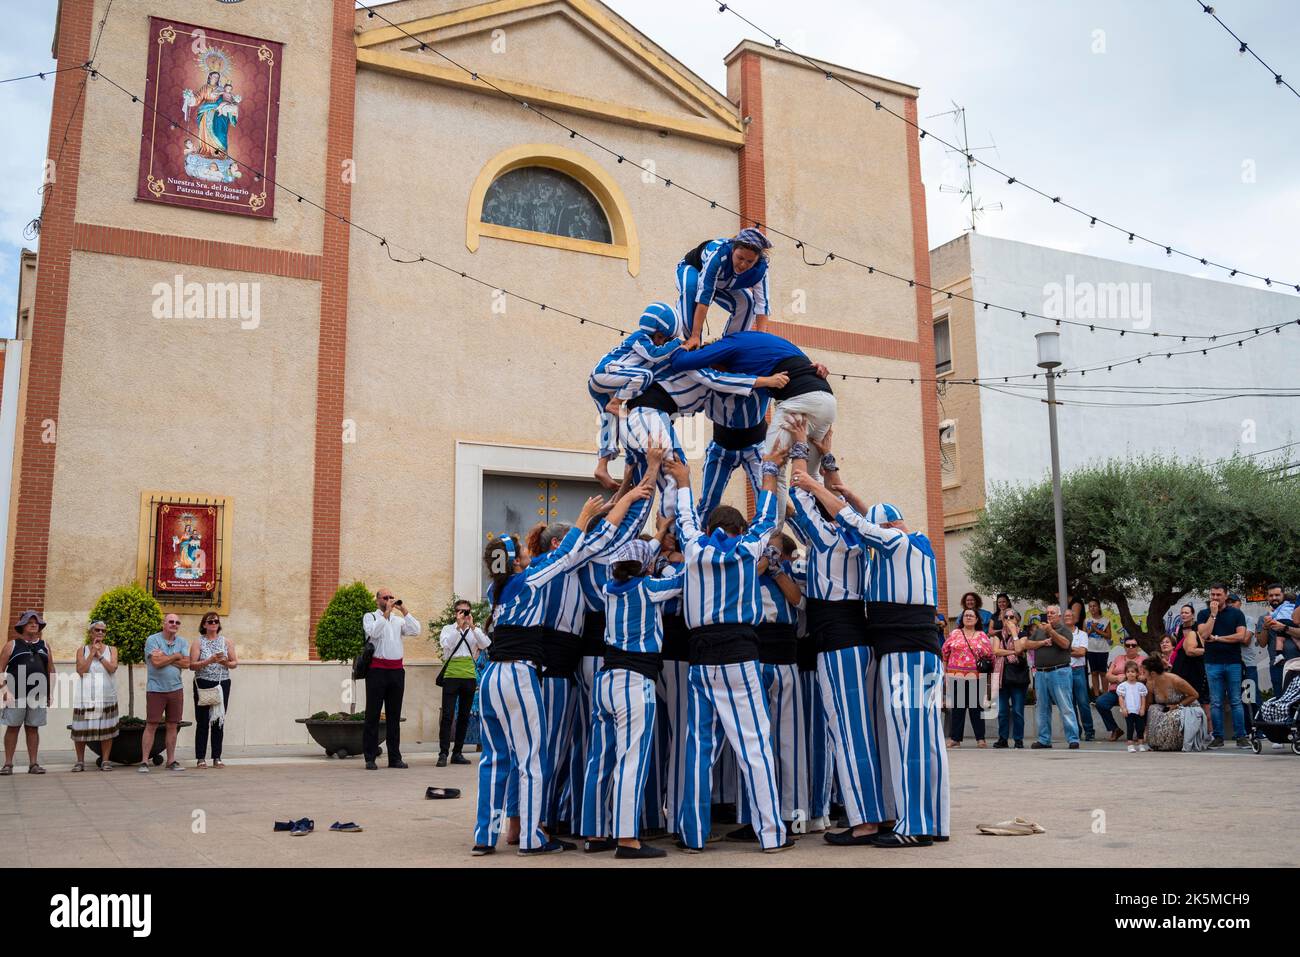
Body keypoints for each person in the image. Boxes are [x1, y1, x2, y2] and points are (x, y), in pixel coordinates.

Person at [794, 473, 947, 848]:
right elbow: (866, 523)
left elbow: (857, 524)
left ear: (889, 528)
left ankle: (914, 828)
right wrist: (840, 485)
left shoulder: (894, 542)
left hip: (905, 655)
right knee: (926, 740)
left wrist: (815, 488)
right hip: (919, 653)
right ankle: (932, 820)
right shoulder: (917, 543)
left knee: (908, 740)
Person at [473, 492, 627, 856]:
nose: (528, 555)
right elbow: (562, 556)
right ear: (514, 563)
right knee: (531, 759)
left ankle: (484, 837)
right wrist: (584, 518)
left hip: (491, 676)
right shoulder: (528, 581)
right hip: (519, 674)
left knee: (493, 759)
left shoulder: (494, 589)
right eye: (522, 555)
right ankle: (531, 837)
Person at [660, 450, 793, 854]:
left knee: (698, 748)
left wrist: (684, 480)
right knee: (754, 745)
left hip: (700, 659)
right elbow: (768, 519)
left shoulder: (696, 549)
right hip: (739, 655)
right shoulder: (747, 548)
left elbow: (684, 518)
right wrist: (769, 471)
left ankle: (693, 834)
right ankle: (771, 835)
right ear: (738, 528)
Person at [786, 432, 890, 845]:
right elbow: (838, 497)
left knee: (847, 732)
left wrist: (798, 446)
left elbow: (800, 486)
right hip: (857, 641)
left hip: (838, 644)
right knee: (858, 730)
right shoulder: (857, 538)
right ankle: (874, 813)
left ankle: (864, 821)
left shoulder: (826, 540)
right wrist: (825, 455)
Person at [581, 536, 682, 860]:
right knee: (631, 760)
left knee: (600, 758)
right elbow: (683, 580)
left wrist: (652, 554)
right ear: (645, 566)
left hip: (606, 680)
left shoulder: (610, 590)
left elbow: (638, 562)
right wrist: (668, 562)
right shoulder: (648, 587)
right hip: (635, 681)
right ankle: (627, 839)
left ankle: (596, 833)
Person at [667, 330, 835, 512]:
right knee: (708, 503)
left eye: (717, 366)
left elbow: (785, 367)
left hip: (754, 446)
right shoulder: (715, 384)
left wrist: (812, 369)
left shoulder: (761, 377)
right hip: (722, 447)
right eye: (711, 367)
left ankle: (783, 532)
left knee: (771, 493)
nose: (716, 371)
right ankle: (699, 538)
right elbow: (713, 384)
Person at [589, 302, 682, 490]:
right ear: (652, 331)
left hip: (606, 384)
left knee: (610, 420)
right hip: (603, 374)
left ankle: (602, 465)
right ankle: (616, 402)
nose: (661, 342)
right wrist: (679, 344)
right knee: (644, 375)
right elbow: (655, 355)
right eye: (660, 337)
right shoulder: (639, 338)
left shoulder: (647, 342)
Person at [676, 228, 771, 350]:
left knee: (748, 302)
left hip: (724, 282)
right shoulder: (718, 256)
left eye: (749, 261)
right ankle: (692, 343)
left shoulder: (761, 270)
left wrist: (761, 342)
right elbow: (704, 297)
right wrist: (695, 335)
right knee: (691, 289)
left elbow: (762, 306)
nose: (743, 265)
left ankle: (730, 348)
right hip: (694, 269)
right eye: (740, 258)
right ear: (733, 250)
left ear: (757, 260)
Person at [362, 590, 421, 770]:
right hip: (377, 670)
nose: (389, 600)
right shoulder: (370, 617)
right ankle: (370, 757)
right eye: (385, 598)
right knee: (372, 714)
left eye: (391, 598)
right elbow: (374, 633)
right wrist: (386, 614)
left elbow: (416, 630)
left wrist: (404, 610)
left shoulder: (398, 621)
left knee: (394, 716)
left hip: (396, 671)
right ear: (378, 600)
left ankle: (394, 757)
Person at [0, 611, 54, 775]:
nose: (33, 624)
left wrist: (50, 693)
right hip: (15, 694)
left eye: (36, 622)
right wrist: (4, 690)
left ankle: (33, 764)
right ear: (22, 625)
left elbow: (51, 670)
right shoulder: (12, 645)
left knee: (33, 728)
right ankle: (8, 764)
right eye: (30, 622)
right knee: (13, 728)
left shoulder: (45, 645)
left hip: (37, 695)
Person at [1195, 584, 1249, 748]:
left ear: (1226, 596)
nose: (1215, 598)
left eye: (1219, 595)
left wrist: (1218, 638)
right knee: (1216, 701)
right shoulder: (1204, 614)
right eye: (1212, 595)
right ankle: (1218, 737)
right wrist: (1213, 615)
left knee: (1236, 701)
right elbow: (1203, 635)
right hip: (1212, 663)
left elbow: (1241, 636)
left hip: (1233, 662)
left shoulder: (1237, 613)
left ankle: (1241, 736)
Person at [437, 601, 490, 767]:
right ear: (455, 613)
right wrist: (458, 628)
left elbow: (486, 644)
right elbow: (447, 645)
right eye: (461, 611)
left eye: (467, 612)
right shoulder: (448, 629)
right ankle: (443, 753)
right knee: (447, 715)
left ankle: (457, 752)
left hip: (469, 676)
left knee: (464, 716)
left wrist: (472, 627)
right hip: (451, 676)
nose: (464, 615)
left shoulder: (474, 630)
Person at [139, 613, 190, 772]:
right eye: (171, 621)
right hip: (156, 689)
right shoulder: (153, 640)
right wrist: (175, 656)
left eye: (177, 622)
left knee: (172, 725)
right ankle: (144, 761)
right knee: (151, 724)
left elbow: (187, 663)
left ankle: (171, 761)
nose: (174, 624)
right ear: (164, 624)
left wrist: (166, 657)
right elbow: (156, 662)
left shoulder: (182, 642)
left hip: (176, 689)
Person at [1024, 605, 1079, 749]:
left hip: (1059, 672)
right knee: (1042, 707)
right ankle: (1044, 739)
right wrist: (1042, 642)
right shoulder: (1039, 631)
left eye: (1052, 613)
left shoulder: (1065, 630)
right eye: (1047, 613)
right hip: (1041, 673)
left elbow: (1065, 644)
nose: (1049, 615)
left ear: (1059, 616)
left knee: (1065, 706)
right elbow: (1027, 644)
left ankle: (1073, 739)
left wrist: (1051, 632)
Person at [71, 621, 119, 772]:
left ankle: (105, 760)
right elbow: (81, 670)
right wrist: (92, 653)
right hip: (86, 696)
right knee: (81, 729)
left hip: (106, 695)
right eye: (97, 630)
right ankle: (80, 761)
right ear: (91, 633)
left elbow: (112, 669)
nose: (100, 633)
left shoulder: (112, 650)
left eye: (103, 631)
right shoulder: (82, 650)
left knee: (106, 729)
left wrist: (100, 655)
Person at [189, 612, 235, 769]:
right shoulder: (198, 642)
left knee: (219, 720)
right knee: (202, 721)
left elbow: (235, 662)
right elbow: (192, 665)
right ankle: (201, 758)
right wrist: (209, 660)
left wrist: (226, 662)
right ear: (204, 625)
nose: (214, 623)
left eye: (216, 621)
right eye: (210, 621)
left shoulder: (226, 641)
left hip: (222, 683)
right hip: (203, 682)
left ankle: (217, 757)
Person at [941, 609, 991, 749]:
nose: (968, 617)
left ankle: (980, 739)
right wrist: (945, 673)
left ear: (976, 619)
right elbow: (945, 653)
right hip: (956, 675)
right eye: (965, 615)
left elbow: (990, 656)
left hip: (975, 676)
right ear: (962, 618)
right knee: (958, 708)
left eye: (971, 615)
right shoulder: (955, 633)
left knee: (976, 708)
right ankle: (955, 738)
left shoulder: (982, 635)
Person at [1143, 656, 1210, 752]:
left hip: (1187, 706)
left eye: (1144, 672)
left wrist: (1178, 705)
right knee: (1153, 709)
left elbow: (1194, 695)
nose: (1142, 674)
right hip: (1168, 708)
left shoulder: (1175, 680)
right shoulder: (1150, 683)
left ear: (1152, 673)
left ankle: (1174, 743)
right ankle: (1157, 742)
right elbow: (1149, 703)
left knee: (1174, 716)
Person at [1093, 637, 1148, 741]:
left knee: (1143, 703)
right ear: (1124, 647)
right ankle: (1115, 729)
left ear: (1138, 647)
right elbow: (1108, 675)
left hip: (1134, 691)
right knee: (1100, 702)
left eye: (1133, 645)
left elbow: (1146, 677)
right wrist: (1117, 678)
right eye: (1128, 645)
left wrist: (1133, 678)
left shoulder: (1143, 660)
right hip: (1116, 691)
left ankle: (1140, 732)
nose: (1130, 647)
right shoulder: (1118, 658)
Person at [1169, 604, 1212, 738]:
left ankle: (1209, 732)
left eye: (1187, 612)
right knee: (1184, 697)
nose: (1183, 615)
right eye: (1182, 613)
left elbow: (1204, 645)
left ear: (1192, 614)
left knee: (1202, 698)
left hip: (1196, 667)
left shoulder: (1198, 627)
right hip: (1181, 667)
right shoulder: (1179, 628)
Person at [992, 610, 1029, 748]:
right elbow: (996, 651)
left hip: (1018, 677)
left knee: (1017, 710)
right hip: (1002, 677)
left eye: (1011, 617)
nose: (1008, 619)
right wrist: (1013, 651)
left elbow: (1020, 649)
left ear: (1017, 620)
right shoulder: (998, 635)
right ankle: (1003, 738)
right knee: (1002, 711)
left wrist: (1014, 633)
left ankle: (1018, 739)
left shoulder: (1022, 633)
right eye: (1005, 617)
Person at [1259, 584, 1297, 700]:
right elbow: (1262, 643)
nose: (1274, 598)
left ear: (1283, 595)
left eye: (1277, 595)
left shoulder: (1295, 614)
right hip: (1277, 666)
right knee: (1280, 699)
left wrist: (1284, 628)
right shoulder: (1264, 618)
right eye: (1271, 595)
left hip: (1296, 664)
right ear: (1267, 597)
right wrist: (1265, 627)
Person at [1066, 609, 1096, 742]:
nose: (1067, 618)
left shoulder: (1082, 634)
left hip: (1078, 670)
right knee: (1069, 704)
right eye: (1065, 616)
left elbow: (1082, 653)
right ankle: (1075, 731)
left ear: (1075, 619)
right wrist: (1073, 650)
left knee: (1083, 702)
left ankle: (1089, 731)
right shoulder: (1060, 634)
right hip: (1065, 670)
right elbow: (1074, 651)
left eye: (1070, 616)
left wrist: (1066, 649)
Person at [1117, 661, 1148, 752]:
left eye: (1133, 672)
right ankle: (1130, 745)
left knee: (1140, 727)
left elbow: (1143, 698)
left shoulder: (1140, 686)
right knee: (1130, 727)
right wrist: (1123, 708)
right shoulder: (1123, 686)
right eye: (1128, 672)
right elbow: (1121, 698)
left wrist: (1142, 708)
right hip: (1129, 710)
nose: (1130, 674)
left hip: (1138, 710)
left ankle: (1141, 744)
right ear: (1125, 673)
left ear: (1137, 673)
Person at [1084, 599, 1112, 698]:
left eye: (1094, 606)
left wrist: (1096, 629)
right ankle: (1096, 696)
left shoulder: (1105, 620)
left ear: (1099, 607)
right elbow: (1084, 636)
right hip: (1091, 650)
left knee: (1103, 673)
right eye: (1090, 606)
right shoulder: (1087, 620)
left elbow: (1109, 636)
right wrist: (1091, 629)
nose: (1092, 608)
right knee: (1094, 673)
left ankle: (1105, 695)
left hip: (1102, 650)